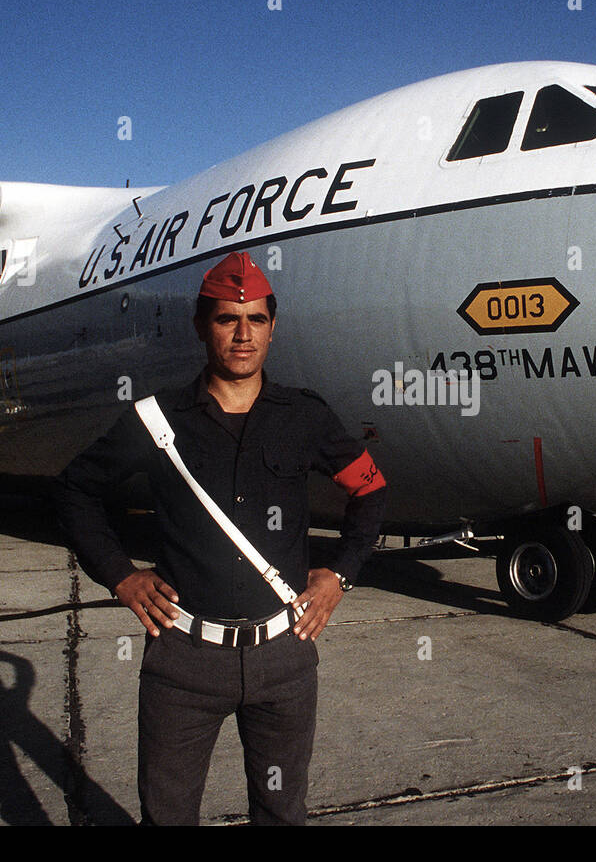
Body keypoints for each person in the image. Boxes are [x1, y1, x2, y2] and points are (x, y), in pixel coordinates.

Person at [51, 251, 387, 825]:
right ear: (202, 326)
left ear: (273, 328)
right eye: (227, 319)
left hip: (284, 659)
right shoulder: (156, 420)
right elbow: (75, 489)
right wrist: (121, 576)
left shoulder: (304, 417)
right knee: (168, 817)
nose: (242, 334)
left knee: (282, 813)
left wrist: (340, 574)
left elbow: (372, 489)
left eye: (256, 319)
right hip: (184, 663)